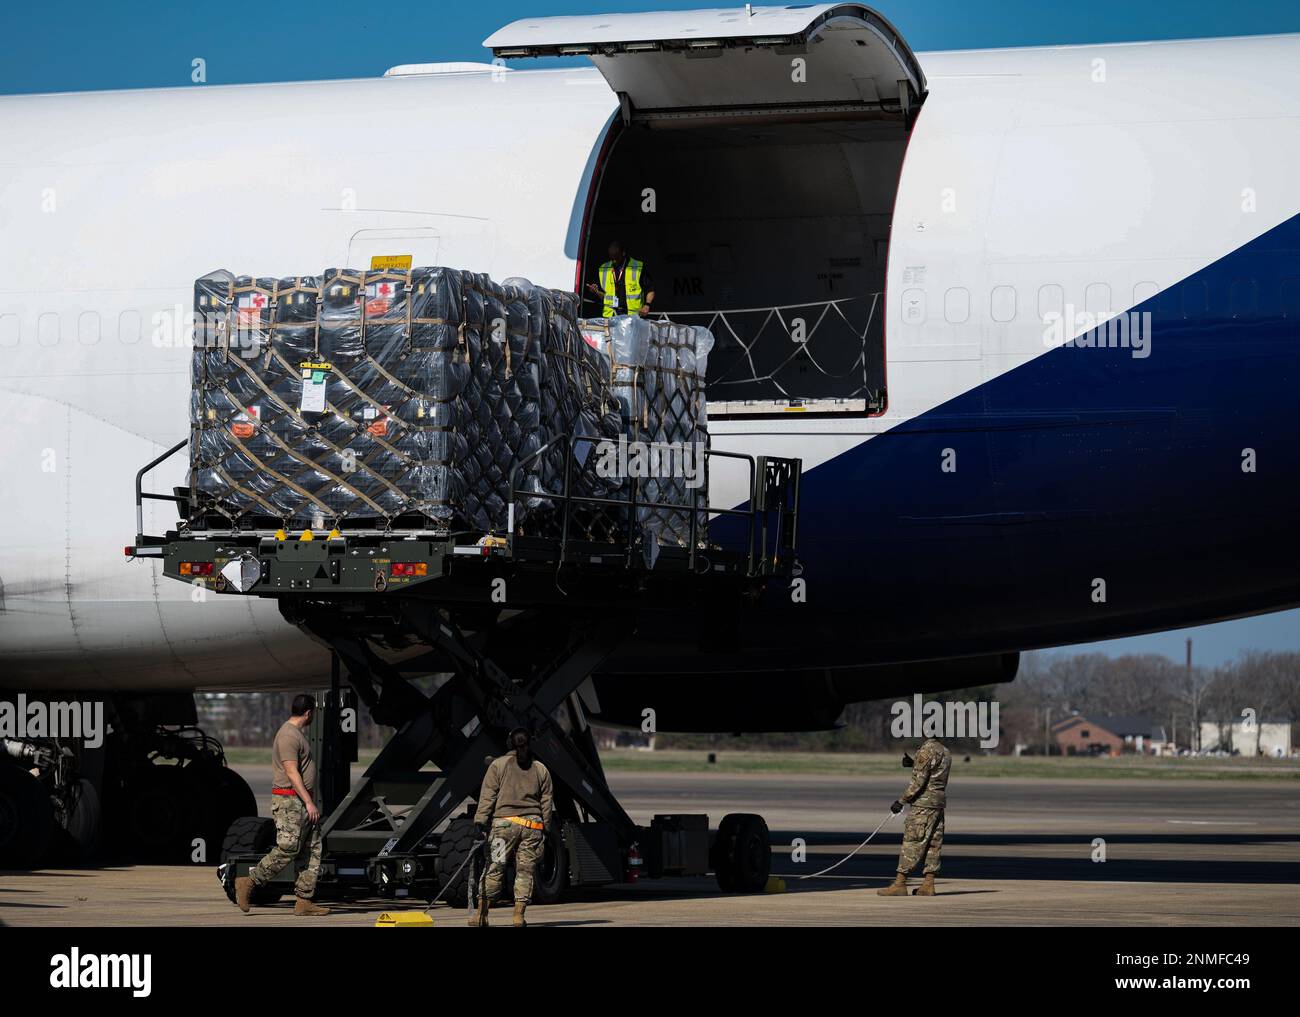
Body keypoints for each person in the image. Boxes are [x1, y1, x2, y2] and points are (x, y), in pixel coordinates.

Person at [234, 694, 329, 916]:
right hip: (290, 801)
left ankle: (304, 900)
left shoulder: (296, 734)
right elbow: (291, 771)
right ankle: (248, 881)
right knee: (288, 848)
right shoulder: (288, 735)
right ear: (308, 713)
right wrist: (308, 801)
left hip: (301, 802)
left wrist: (308, 802)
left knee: (311, 849)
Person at [470, 727, 554, 927]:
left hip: (504, 827)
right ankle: (518, 916)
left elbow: (487, 796)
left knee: (495, 867)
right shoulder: (541, 769)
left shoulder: (498, 765)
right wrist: (547, 828)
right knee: (525, 871)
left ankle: (481, 915)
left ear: (509, 744)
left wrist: (480, 821)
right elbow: (547, 802)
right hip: (532, 827)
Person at [877, 735, 951, 897]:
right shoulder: (945, 751)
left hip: (923, 805)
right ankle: (928, 884)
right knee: (933, 844)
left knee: (912, 842)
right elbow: (934, 773)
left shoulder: (925, 750)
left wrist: (901, 801)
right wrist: (913, 764)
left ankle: (900, 883)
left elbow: (919, 782)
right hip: (937, 804)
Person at [587, 240, 655, 318]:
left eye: (616, 258)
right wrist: (595, 291)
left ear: (623, 253)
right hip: (611, 315)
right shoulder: (604, 269)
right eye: (612, 258)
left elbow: (650, 290)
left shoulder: (638, 267)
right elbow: (604, 296)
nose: (614, 261)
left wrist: (647, 305)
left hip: (633, 316)